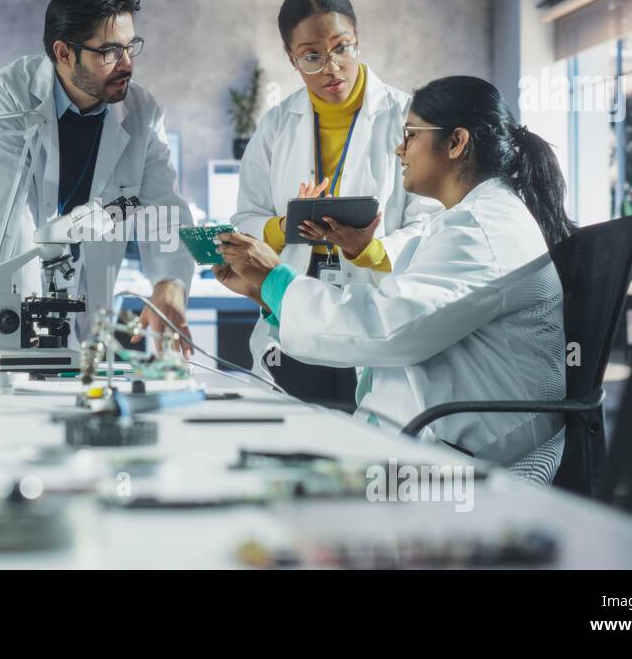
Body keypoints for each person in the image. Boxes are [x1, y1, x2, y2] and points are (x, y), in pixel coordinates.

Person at [214, 75, 575, 465]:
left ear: (456, 142)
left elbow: (383, 328)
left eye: (411, 135)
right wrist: (264, 291)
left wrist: (275, 279)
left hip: (472, 460)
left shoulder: (480, 229)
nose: (399, 148)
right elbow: (404, 306)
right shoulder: (467, 221)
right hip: (432, 439)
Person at [0, 0, 194, 351]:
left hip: (73, 316)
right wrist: (38, 331)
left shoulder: (143, 113)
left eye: (131, 47)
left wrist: (170, 282)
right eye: (110, 51)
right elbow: (3, 222)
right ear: (64, 53)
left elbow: (164, 209)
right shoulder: (5, 96)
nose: (127, 64)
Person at [230, 0, 438, 409]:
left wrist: (370, 250)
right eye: (311, 56)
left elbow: (431, 222)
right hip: (293, 312)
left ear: (357, 38)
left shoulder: (406, 118)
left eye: (342, 48)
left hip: (375, 314)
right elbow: (245, 218)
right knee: (291, 432)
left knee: (371, 434)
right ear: (291, 58)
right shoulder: (275, 126)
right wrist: (284, 227)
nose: (332, 68)